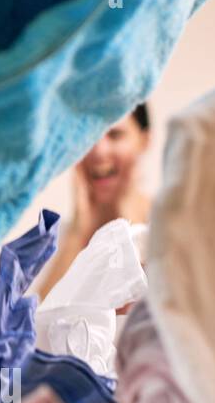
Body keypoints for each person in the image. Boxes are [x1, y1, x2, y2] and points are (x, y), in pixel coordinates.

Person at [35, 102, 152, 302]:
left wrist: (131, 225)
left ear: (145, 140)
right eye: (87, 137)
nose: (98, 151)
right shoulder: (59, 238)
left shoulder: (176, 223)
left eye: (115, 135)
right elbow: (32, 327)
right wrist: (77, 234)